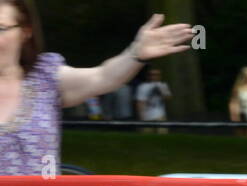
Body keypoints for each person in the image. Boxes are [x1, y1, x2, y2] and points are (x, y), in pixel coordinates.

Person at [0, 2, 192, 173]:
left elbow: (103, 77)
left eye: (1, 28)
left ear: (25, 31)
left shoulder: (45, 77)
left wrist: (135, 54)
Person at [135, 66, 170, 132]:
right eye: (152, 74)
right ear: (148, 76)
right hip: (146, 117)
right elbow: (139, 102)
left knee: (162, 135)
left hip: (160, 115)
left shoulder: (163, 85)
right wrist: (141, 117)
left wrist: (161, 92)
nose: (154, 76)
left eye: (157, 74)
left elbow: (167, 98)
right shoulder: (142, 87)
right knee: (148, 136)